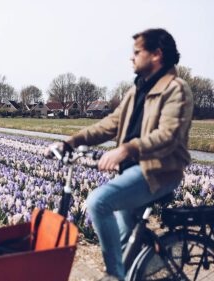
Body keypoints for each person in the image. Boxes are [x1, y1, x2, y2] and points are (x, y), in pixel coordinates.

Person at [45, 28, 193, 281]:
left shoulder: (176, 90)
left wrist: (125, 149)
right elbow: (108, 125)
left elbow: (168, 135)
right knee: (124, 242)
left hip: (159, 171)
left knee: (98, 201)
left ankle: (114, 275)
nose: (131, 58)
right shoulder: (136, 91)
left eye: (137, 52)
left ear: (157, 54)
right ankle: (133, 268)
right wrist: (70, 142)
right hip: (133, 171)